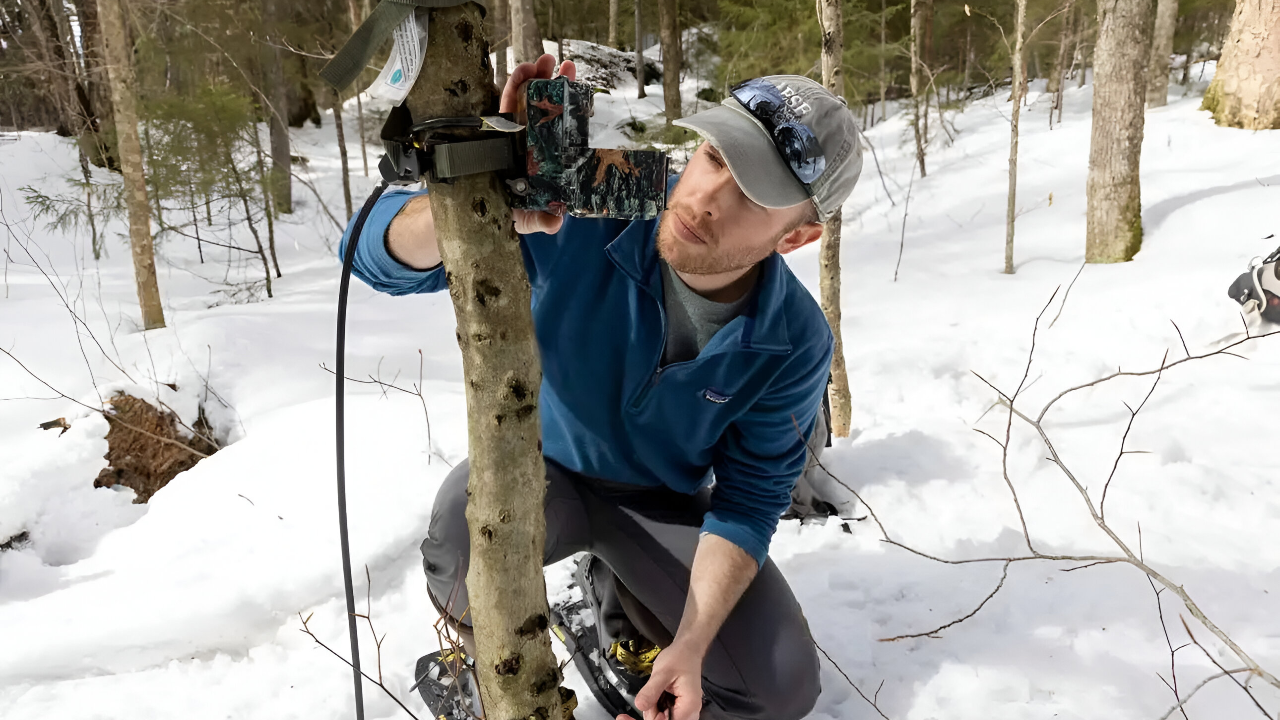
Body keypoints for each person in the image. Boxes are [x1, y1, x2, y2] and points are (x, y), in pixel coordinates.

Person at [340, 54, 863, 720]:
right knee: (460, 533)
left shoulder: (793, 339)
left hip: (660, 501)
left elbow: (750, 500)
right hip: (537, 469)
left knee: (779, 687)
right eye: (713, 158)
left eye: (754, 193)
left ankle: (617, 613)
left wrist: (695, 643)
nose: (704, 199)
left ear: (799, 234)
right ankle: (473, 653)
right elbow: (368, 257)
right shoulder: (603, 192)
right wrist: (475, 199)